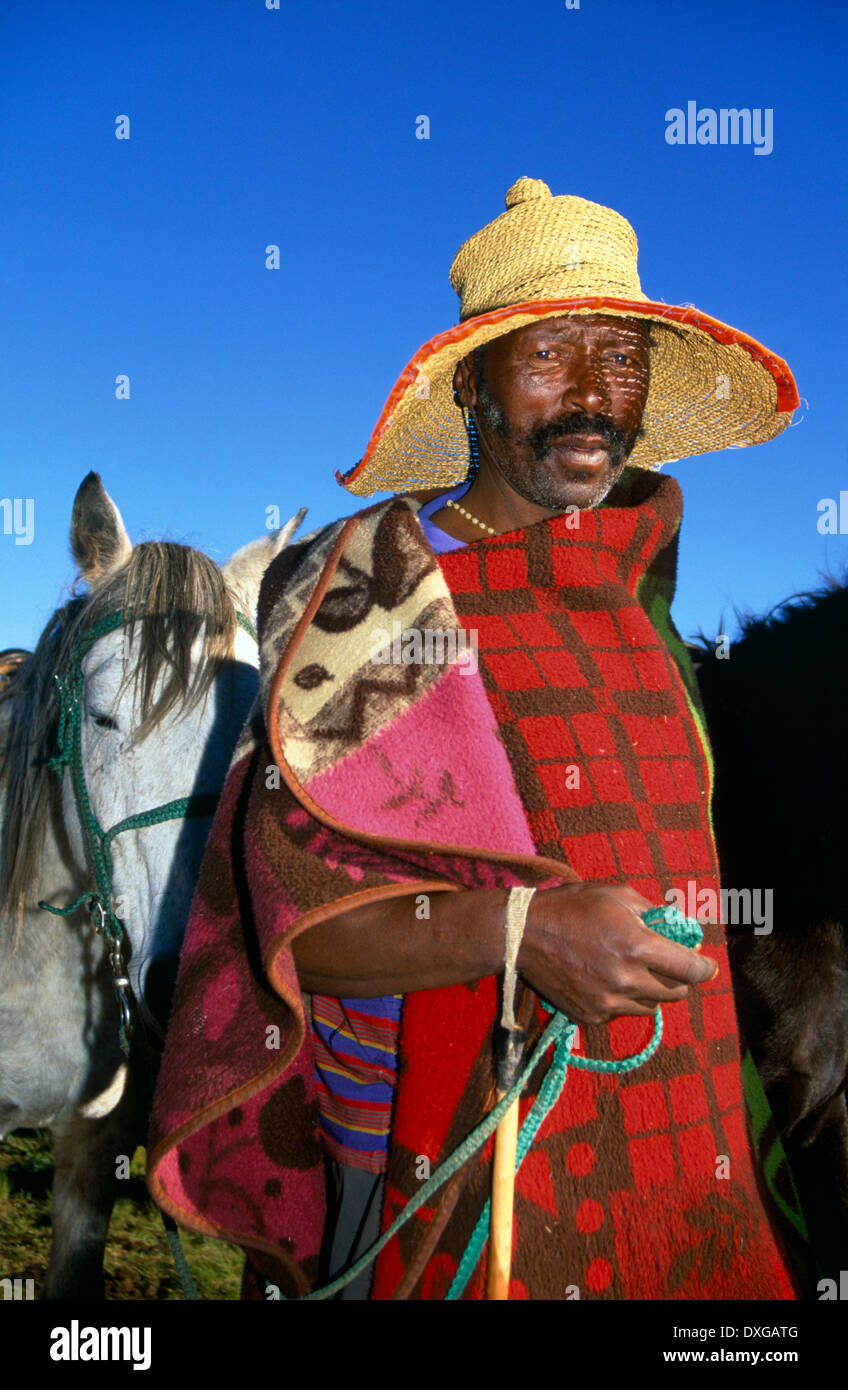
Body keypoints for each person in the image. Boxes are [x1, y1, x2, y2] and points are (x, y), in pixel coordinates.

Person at [149, 177, 805, 1301]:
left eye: (622, 355)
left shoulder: (643, 600)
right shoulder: (378, 597)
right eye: (549, 353)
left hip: (684, 1156)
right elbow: (299, 933)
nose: (594, 393)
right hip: (461, 1164)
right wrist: (523, 933)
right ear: (471, 384)